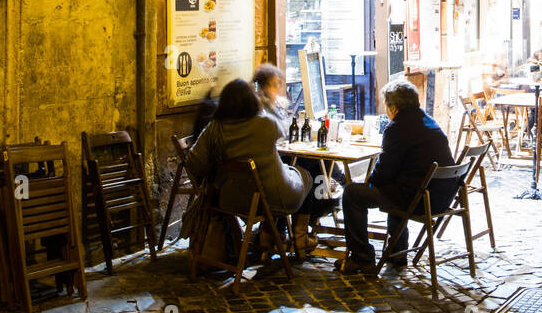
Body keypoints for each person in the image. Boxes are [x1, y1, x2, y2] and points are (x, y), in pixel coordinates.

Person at [185, 74, 335, 258]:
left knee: (281, 171)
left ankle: (271, 234)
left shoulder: (215, 128)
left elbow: (193, 164)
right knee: (305, 174)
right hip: (272, 199)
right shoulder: (265, 124)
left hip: (229, 199)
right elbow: (284, 134)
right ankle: (299, 237)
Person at [342, 79, 456, 275]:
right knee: (396, 186)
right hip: (442, 195)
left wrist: (368, 184)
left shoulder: (397, 128)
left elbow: (384, 172)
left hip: (420, 199)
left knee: (353, 194)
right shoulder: (428, 121)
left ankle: (361, 257)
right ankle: (398, 252)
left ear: (393, 107)